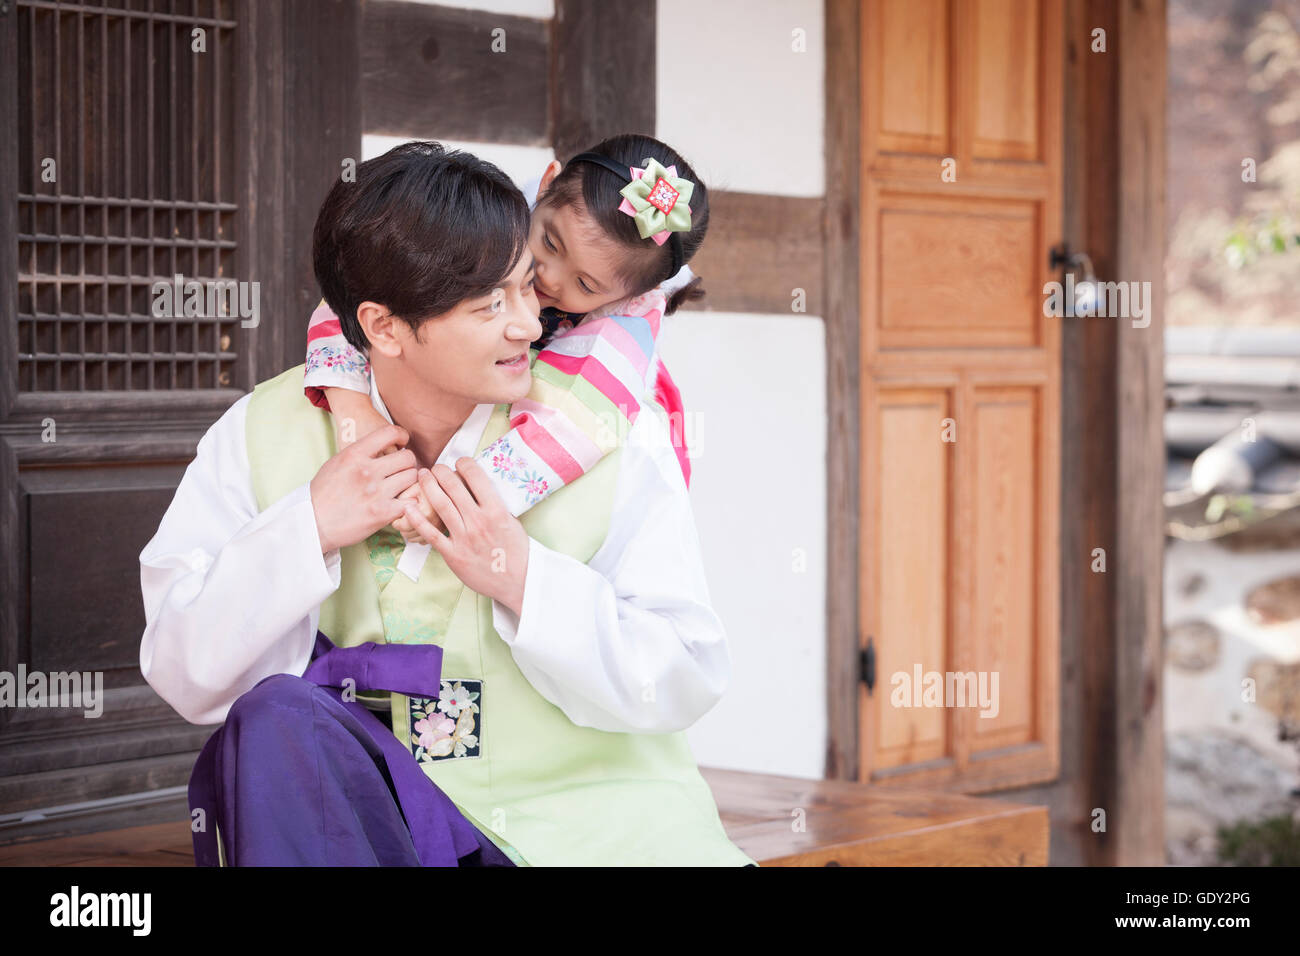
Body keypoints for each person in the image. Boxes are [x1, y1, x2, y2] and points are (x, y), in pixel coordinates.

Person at [138, 140, 756, 867]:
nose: (530, 322)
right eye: (492, 304)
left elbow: (686, 670)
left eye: (532, 288)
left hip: (582, 836)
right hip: (375, 826)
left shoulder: (611, 431)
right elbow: (181, 670)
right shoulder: (264, 429)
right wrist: (308, 527)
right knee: (275, 720)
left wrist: (523, 577)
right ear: (384, 326)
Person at [303, 133, 705, 550]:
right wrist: (353, 408)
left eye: (584, 284)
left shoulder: (622, 334)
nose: (548, 278)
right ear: (547, 185)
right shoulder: (500, 217)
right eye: (550, 243)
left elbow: (577, 421)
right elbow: (360, 295)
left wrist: (460, 499)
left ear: (630, 295)